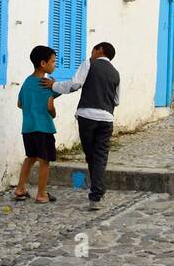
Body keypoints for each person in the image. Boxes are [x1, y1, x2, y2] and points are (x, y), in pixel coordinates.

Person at [43, 42, 120, 211]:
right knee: (100, 156)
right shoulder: (116, 73)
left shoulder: (89, 63)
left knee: (91, 155)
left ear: (99, 50)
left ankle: (97, 191)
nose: (91, 53)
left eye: (93, 49)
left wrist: (54, 85)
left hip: (87, 116)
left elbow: (74, 85)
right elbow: (116, 100)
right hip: (106, 118)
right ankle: (97, 193)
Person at [15, 45, 59, 203]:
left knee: (30, 157)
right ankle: (42, 193)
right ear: (43, 63)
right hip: (44, 127)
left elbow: (19, 103)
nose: (55, 64)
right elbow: (51, 106)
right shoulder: (46, 84)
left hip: (27, 127)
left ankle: (20, 188)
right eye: (53, 61)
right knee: (44, 161)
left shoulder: (27, 82)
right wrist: (54, 85)